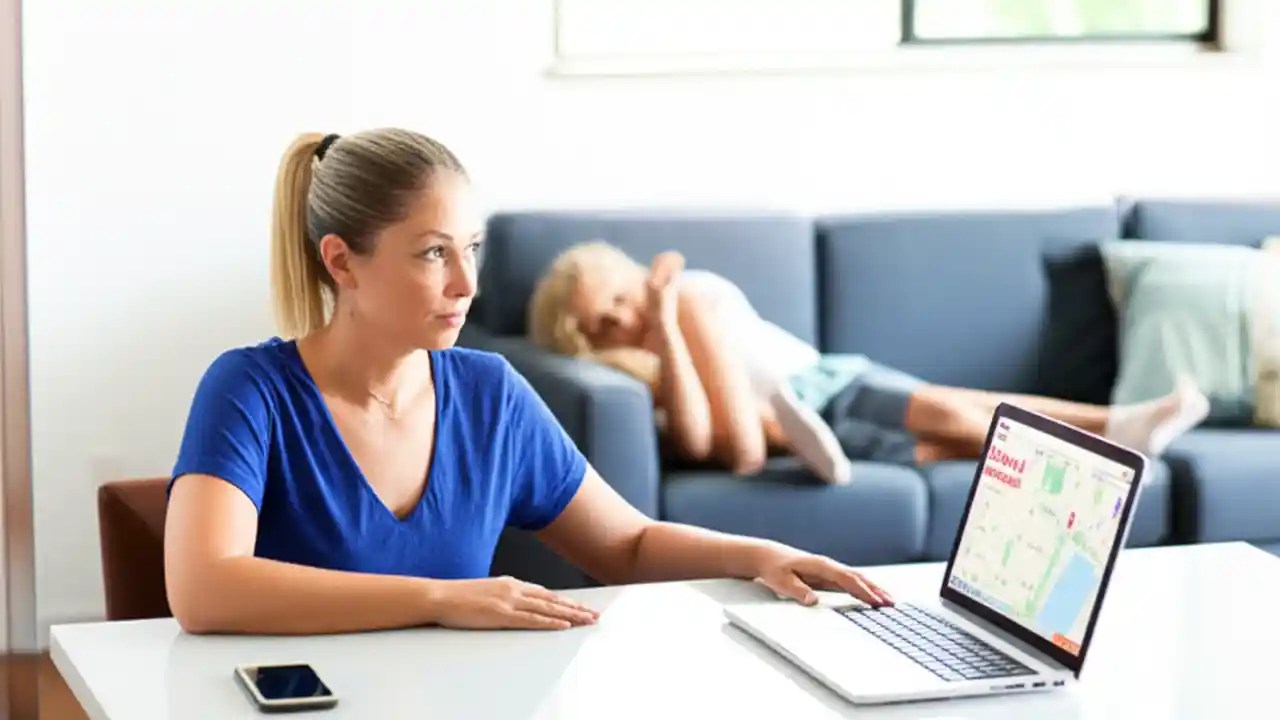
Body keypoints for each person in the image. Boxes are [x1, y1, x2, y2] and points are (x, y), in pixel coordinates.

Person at [163, 128, 895, 637]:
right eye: (433, 253)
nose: (467, 282)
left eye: (472, 248)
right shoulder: (249, 390)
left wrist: (758, 555)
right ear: (341, 261)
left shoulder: (489, 394)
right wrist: (440, 599)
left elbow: (628, 544)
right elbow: (204, 589)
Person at [526, 242, 1211, 484]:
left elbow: (730, 422)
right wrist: (665, 330)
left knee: (953, 414)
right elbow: (716, 440)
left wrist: (669, 313)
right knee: (941, 440)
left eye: (620, 298)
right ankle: (1107, 447)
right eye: (601, 326)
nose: (622, 320)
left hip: (824, 381)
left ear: (632, 274)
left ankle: (1112, 429)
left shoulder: (694, 295)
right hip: (797, 415)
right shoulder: (645, 370)